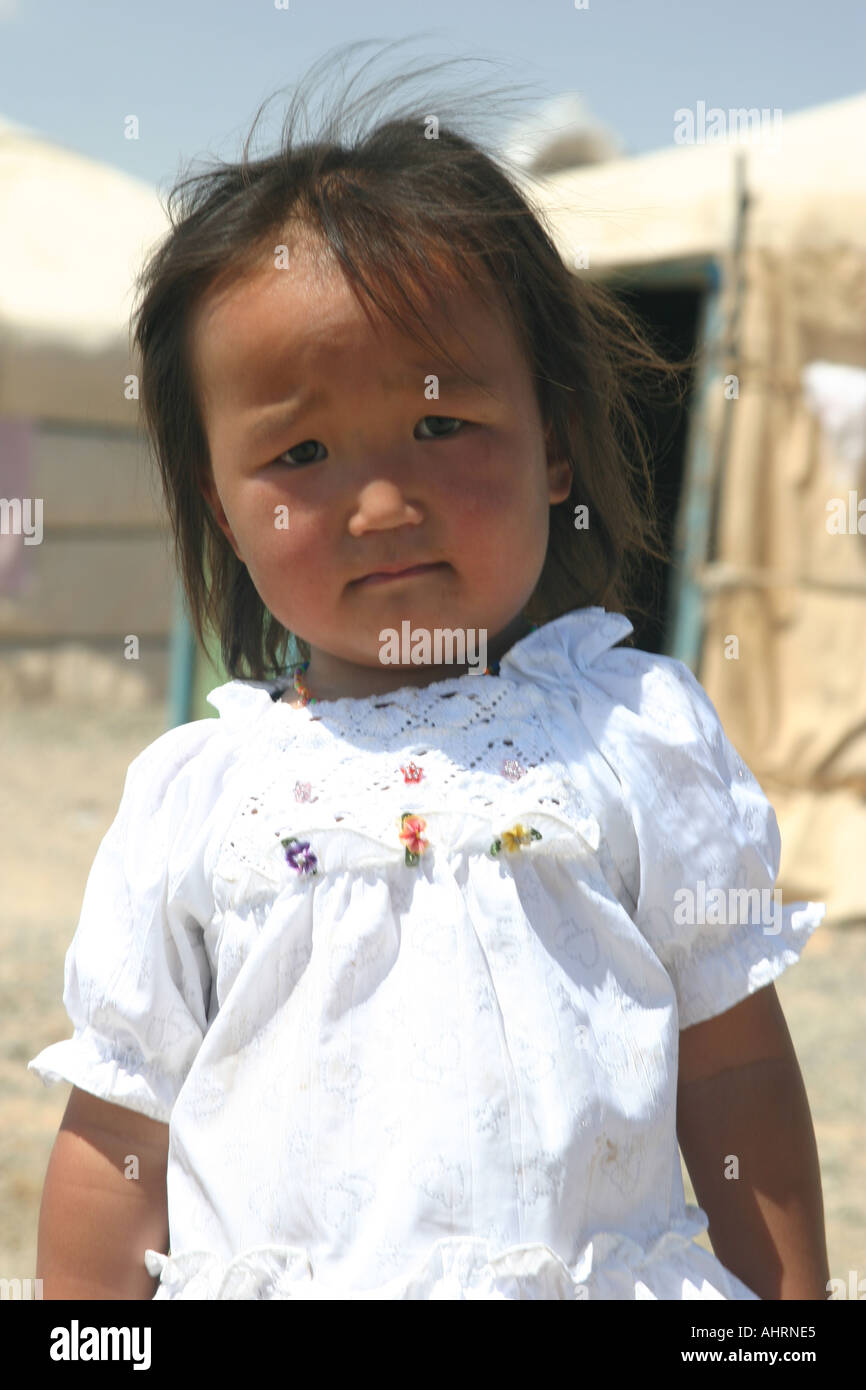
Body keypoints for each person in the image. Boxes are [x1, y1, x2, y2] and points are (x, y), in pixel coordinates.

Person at [29, 43, 830, 1301]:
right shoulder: (192, 796)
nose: (383, 502)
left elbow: (730, 1071)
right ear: (219, 507)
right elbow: (118, 1137)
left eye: (442, 423)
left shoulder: (633, 737)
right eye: (299, 452)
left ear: (553, 448)